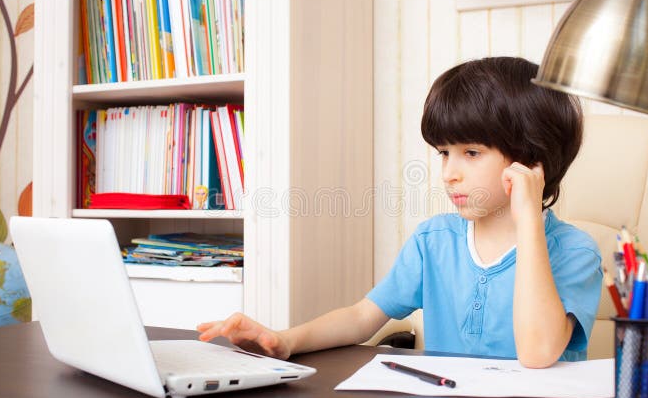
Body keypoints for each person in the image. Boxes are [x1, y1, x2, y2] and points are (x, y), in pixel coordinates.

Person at [197, 57, 602, 368]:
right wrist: (285, 340)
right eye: (444, 153)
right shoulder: (433, 241)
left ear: (531, 160)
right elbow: (362, 317)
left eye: (471, 153)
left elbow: (537, 353)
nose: (449, 173)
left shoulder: (575, 252)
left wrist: (528, 219)